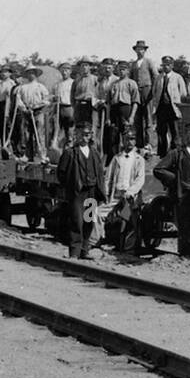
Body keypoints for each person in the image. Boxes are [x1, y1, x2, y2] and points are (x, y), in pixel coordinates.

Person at [154, 122, 190, 258]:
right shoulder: (177, 154)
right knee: (183, 227)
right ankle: (184, 256)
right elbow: (158, 169)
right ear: (185, 135)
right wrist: (174, 180)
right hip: (182, 195)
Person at [56, 122, 106, 259]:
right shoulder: (70, 153)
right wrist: (71, 186)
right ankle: (74, 252)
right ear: (77, 135)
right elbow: (61, 173)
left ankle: (85, 250)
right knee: (77, 221)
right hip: (78, 193)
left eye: (88, 135)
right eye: (82, 135)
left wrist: (100, 191)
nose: (85, 138)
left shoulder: (94, 153)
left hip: (91, 192)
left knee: (89, 221)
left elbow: (100, 173)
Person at [104, 129, 146, 252]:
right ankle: (93, 241)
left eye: (132, 139)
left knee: (129, 220)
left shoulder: (139, 159)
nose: (129, 142)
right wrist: (106, 193)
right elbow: (108, 178)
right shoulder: (117, 158)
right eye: (127, 139)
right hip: (116, 195)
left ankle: (127, 248)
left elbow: (140, 179)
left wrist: (131, 192)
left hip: (131, 196)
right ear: (122, 141)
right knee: (93, 212)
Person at [152, 55, 188, 156]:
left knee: (175, 132)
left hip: (173, 108)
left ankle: (175, 153)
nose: (166, 67)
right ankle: (162, 154)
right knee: (161, 132)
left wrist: (177, 102)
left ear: (172, 65)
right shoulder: (158, 78)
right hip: (161, 108)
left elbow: (183, 93)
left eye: (168, 65)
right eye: (164, 65)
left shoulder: (177, 77)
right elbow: (155, 93)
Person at [13, 67, 51, 162]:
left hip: (38, 112)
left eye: (33, 73)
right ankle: (28, 155)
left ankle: (42, 155)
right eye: (29, 73)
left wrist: (37, 105)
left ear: (36, 74)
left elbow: (47, 99)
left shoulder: (40, 86)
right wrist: (24, 108)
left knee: (39, 134)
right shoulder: (22, 87)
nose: (31, 75)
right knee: (27, 134)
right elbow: (18, 100)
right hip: (26, 113)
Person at [107, 61, 140, 161]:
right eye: (119, 69)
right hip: (114, 110)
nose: (121, 71)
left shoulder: (132, 83)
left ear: (127, 71)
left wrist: (132, 117)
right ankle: (114, 159)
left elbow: (135, 102)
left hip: (126, 109)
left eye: (123, 69)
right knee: (113, 136)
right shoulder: (113, 84)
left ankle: (129, 158)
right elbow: (108, 102)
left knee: (127, 135)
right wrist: (108, 117)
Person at [131, 40, 157, 152]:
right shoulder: (133, 64)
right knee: (137, 119)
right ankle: (139, 143)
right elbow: (131, 80)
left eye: (142, 49)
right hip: (136, 92)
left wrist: (153, 92)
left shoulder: (149, 62)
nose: (140, 51)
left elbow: (155, 76)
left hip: (147, 90)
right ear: (135, 50)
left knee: (148, 118)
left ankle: (149, 144)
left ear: (145, 50)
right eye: (138, 49)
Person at [71, 59, 99, 147]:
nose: (84, 67)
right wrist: (74, 106)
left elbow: (98, 93)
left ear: (90, 67)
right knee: (79, 127)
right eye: (82, 65)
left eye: (86, 65)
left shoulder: (95, 79)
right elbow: (72, 95)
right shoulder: (76, 80)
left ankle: (92, 148)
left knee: (91, 128)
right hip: (79, 106)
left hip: (91, 106)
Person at [0, 66, 16, 151]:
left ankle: (13, 147)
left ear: (9, 73)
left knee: (9, 126)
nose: (4, 74)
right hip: (0, 105)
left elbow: (14, 97)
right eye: (2, 72)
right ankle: (4, 146)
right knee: (1, 127)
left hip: (9, 105)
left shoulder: (12, 83)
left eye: (6, 72)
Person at [54, 62, 75, 148]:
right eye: (63, 70)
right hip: (60, 108)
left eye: (66, 70)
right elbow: (54, 97)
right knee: (59, 131)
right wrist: (55, 98)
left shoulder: (73, 83)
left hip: (70, 108)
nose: (64, 72)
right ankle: (60, 152)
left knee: (70, 131)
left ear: (70, 72)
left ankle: (71, 148)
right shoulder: (58, 84)